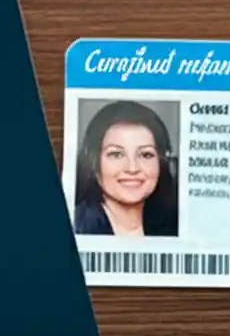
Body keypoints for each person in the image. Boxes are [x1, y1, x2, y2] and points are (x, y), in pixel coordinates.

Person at [73, 101, 178, 237]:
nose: (132, 168)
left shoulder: (174, 226)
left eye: (145, 154)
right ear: (93, 161)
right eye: (116, 154)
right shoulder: (76, 225)